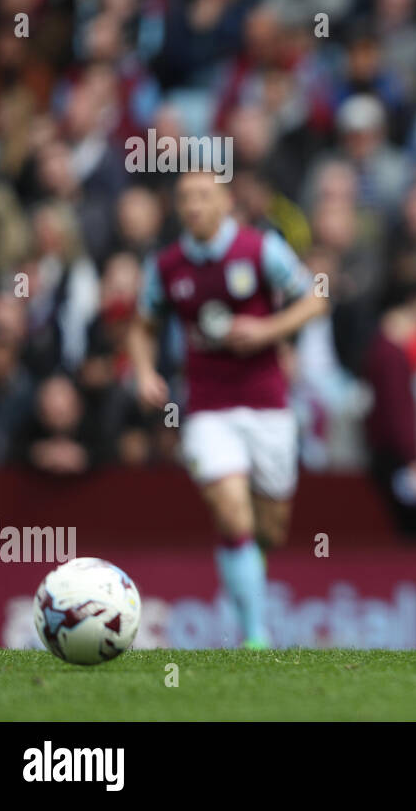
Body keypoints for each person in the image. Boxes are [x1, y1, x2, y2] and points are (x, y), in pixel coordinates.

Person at [128, 169, 328, 648]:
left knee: (270, 528)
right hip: (208, 408)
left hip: (267, 405)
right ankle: (254, 636)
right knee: (232, 512)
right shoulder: (167, 265)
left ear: (224, 202)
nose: (193, 205)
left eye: (203, 196)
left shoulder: (260, 249)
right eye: (185, 198)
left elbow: (315, 299)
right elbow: (141, 325)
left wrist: (267, 331)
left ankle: (245, 574)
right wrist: (143, 371)